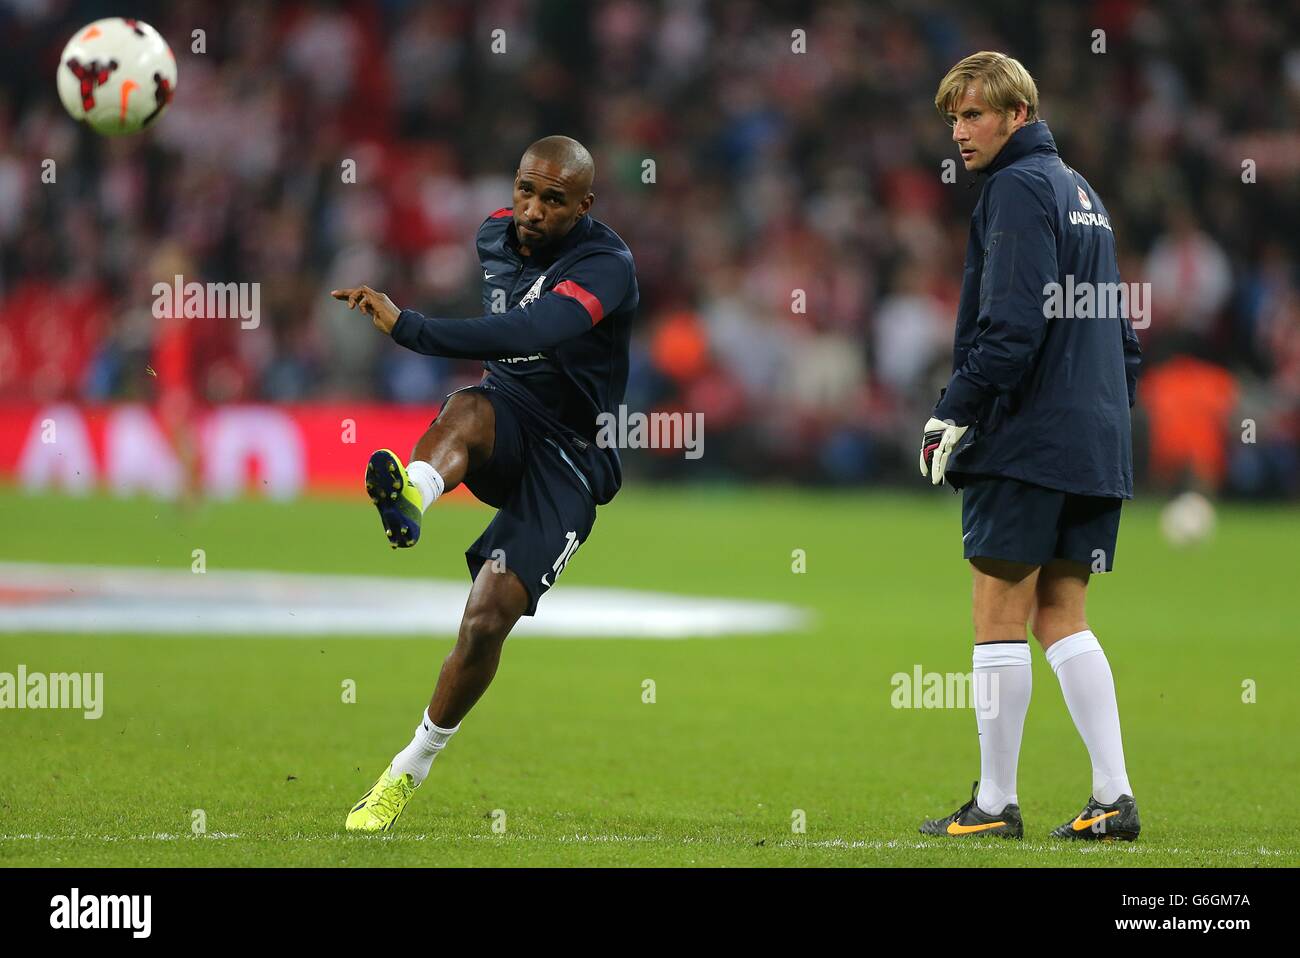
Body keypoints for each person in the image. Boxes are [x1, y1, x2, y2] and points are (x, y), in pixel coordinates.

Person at [332, 135, 638, 832]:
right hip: (507, 419)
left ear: (584, 205)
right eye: (525, 191)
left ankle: (406, 768)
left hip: (571, 458)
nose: (532, 210)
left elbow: (537, 326)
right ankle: (412, 495)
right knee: (469, 407)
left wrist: (408, 327)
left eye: (553, 200)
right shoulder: (493, 236)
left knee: (486, 619)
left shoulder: (607, 265)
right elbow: (506, 345)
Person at [917, 53, 1143, 841]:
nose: (959, 132)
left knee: (997, 609)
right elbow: (1122, 336)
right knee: (1062, 613)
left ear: (1017, 114)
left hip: (1030, 437)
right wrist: (1106, 415)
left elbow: (1011, 325)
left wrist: (955, 409)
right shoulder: (1083, 192)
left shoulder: (1014, 189)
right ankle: (1112, 798)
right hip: (1095, 437)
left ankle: (994, 804)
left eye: (974, 114)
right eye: (953, 117)